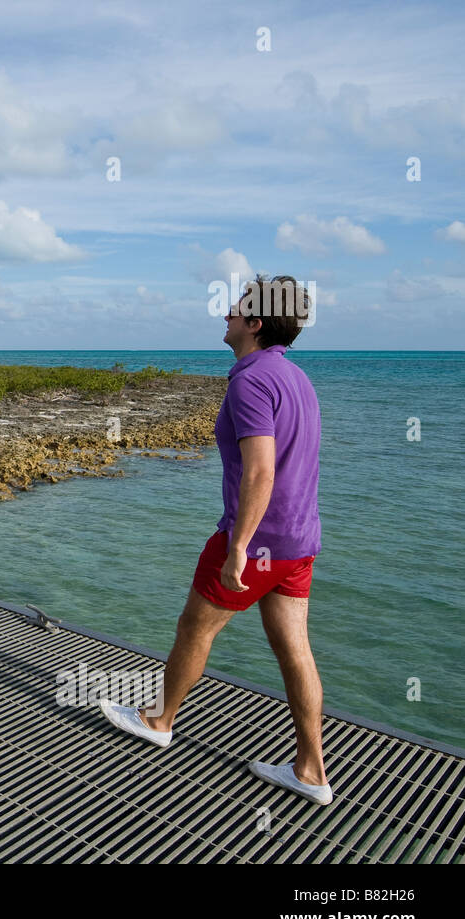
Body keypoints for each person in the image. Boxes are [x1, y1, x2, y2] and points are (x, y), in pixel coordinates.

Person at [100, 276, 332, 805]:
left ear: (255, 324)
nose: (225, 314)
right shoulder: (296, 377)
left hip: (259, 540)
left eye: (236, 309)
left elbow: (260, 474)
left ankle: (159, 720)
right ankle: (311, 770)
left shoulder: (250, 381)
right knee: (294, 648)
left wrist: (238, 548)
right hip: (300, 540)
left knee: (194, 627)